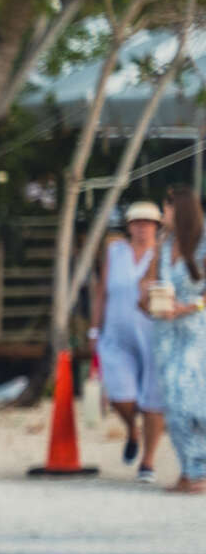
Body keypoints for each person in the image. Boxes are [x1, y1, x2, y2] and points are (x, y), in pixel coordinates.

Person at [93, 200, 168, 480]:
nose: (142, 228)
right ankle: (132, 430)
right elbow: (102, 290)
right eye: (137, 223)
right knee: (120, 394)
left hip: (152, 332)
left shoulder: (163, 253)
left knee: (153, 397)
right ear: (129, 226)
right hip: (116, 330)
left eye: (147, 223)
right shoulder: (115, 251)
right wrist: (94, 329)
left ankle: (148, 461)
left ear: (156, 226)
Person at [151, 188, 206, 494]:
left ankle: (200, 469)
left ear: (180, 210)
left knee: (190, 399)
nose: (163, 215)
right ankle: (189, 470)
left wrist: (188, 307)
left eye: (166, 208)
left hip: (195, 330)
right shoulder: (165, 244)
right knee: (172, 402)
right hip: (165, 332)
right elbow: (155, 282)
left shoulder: (203, 242)